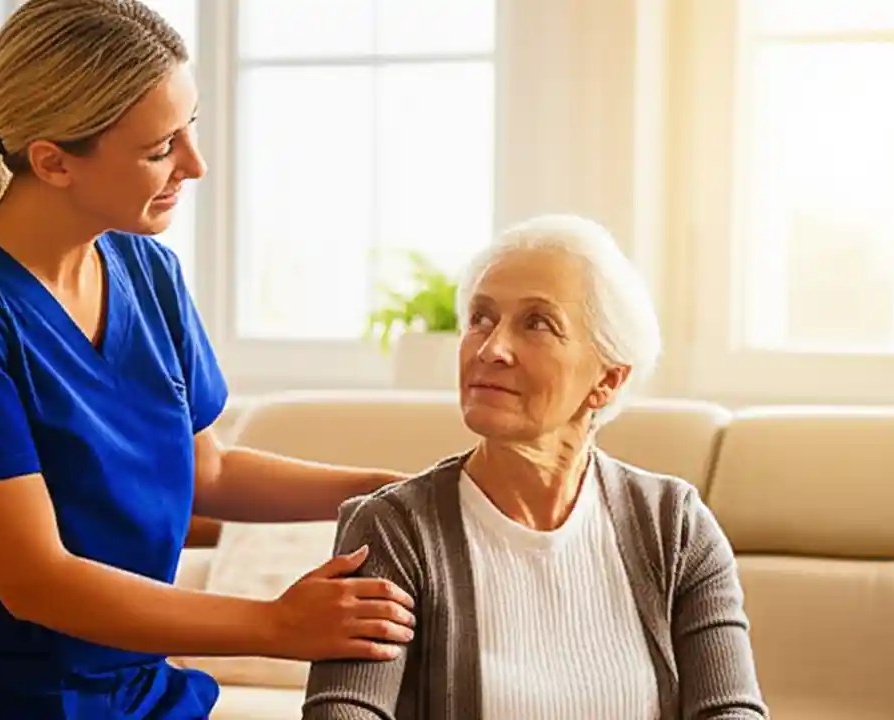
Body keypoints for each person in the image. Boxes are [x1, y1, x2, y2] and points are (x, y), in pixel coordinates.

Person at [0, 2, 416, 718]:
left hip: (139, 698)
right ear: (53, 161)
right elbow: (37, 580)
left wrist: (396, 489)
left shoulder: (149, 273)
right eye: (159, 150)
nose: (195, 166)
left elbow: (208, 471)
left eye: (191, 129)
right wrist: (276, 623)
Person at [303, 214, 769, 720]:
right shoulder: (395, 529)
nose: (490, 348)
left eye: (537, 323)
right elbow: (344, 711)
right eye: (481, 318)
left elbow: (731, 711)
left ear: (608, 380)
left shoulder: (674, 526)